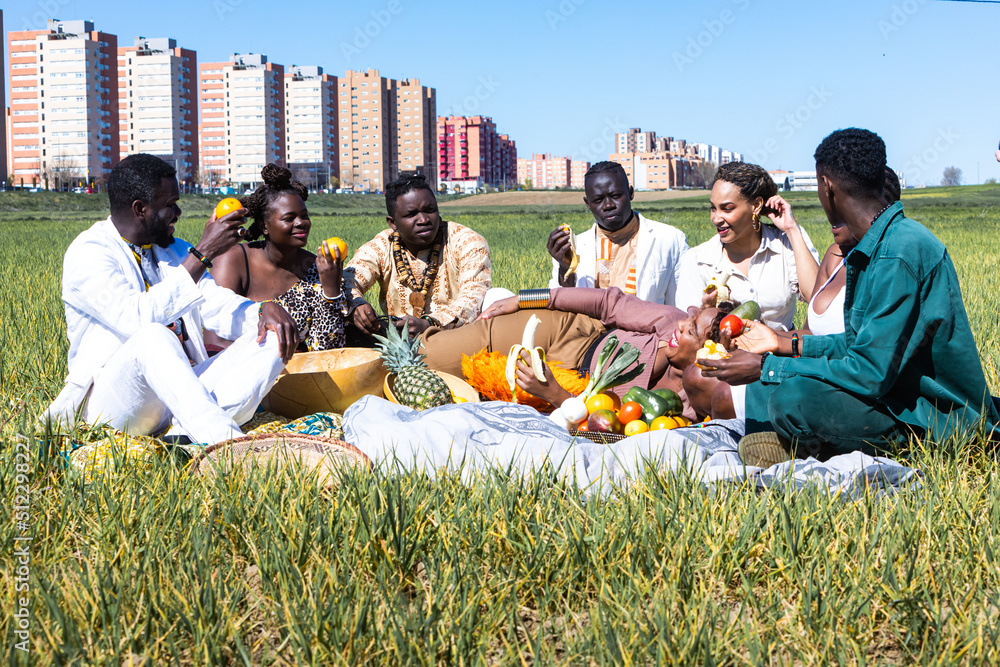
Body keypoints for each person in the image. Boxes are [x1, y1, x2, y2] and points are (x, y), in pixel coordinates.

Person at [700, 128, 1000, 466]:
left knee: (793, 396)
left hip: (933, 417)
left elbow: (869, 373)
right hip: (897, 394)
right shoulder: (880, 244)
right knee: (766, 386)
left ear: (827, 187)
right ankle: (796, 442)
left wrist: (768, 365)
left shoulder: (897, 254)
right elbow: (861, 345)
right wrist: (786, 345)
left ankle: (816, 448)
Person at [42, 154, 299, 445]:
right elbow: (136, 319)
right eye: (169, 205)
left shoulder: (175, 250)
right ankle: (223, 442)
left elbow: (213, 304)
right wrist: (202, 255)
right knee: (153, 336)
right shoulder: (89, 252)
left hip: (183, 391)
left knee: (274, 334)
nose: (177, 213)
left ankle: (183, 436)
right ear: (141, 209)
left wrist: (261, 312)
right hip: (119, 401)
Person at [419, 287, 734, 421]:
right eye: (690, 319)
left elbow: (615, 431)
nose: (682, 324)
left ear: (709, 355)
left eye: (692, 330)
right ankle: (390, 333)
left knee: (459, 391)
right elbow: (608, 303)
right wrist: (523, 300)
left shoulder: (691, 405)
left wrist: (556, 395)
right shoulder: (669, 322)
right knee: (431, 355)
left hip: (561, 392)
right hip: (568, 336)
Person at [209, 164, 346, 352]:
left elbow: (327, 351)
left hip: (301, 374)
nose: (301, 223)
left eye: (304, 216)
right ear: (264, 226)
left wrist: (331, 290)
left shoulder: (316, 269)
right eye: (289, 218)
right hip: (243, 373)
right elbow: (213, 337)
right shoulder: (235, 260)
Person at [674, 162, 820, 331]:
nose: (716, 218)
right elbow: (687, 331)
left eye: (727, 209)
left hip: (781, 353)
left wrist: (792, 229)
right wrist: (705, 309)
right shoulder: (697, 260)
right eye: (713, 208)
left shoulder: (786, 243)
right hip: (722, 356)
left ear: (756, 206)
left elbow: (816, 298)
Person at [344, 175, 492, 338]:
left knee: (497, 296)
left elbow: (474, 295)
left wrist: (430, 323)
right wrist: (356, 305)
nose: (423, 220)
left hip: (456, 338)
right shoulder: (382, 246)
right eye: (411, 214)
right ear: (393, 223)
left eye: (430, 210)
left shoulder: (467, 242)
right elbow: (349, 279)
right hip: (396, 342)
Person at [546, 161, 688, 305]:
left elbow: (682, 304)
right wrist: (564, 268)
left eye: (615, 195)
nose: (608, 205)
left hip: (647, 327)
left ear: (631, 193)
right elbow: (560, 305)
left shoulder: (670, 239)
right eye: (598, 200)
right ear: (587, 203)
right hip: (588, 327)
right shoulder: (573, 248)